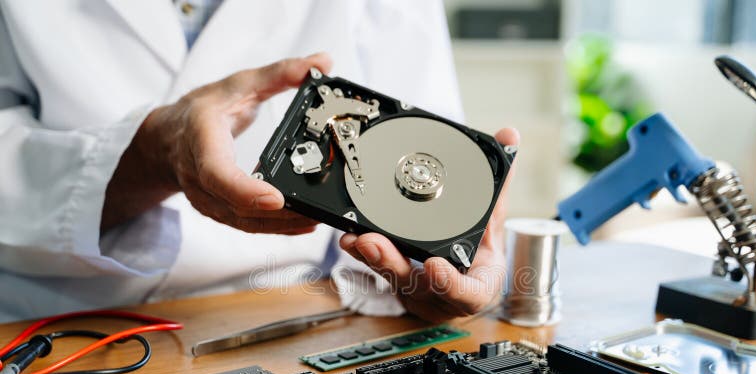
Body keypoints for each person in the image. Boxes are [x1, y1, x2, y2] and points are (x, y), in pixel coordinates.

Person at [0, 0, 518, 324]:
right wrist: (152, 155)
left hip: (296, 313)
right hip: (49, 322)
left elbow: (429, 147)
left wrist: (421, 281)